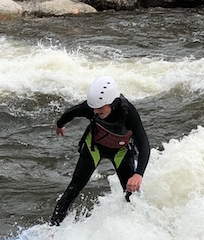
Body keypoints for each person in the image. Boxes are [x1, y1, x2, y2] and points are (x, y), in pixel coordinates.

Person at [50, 76, 150, 225]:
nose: (95, 111)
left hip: (120, 151)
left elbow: (144, 145)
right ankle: (53, 227)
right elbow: (73, 112)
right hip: (94, 147)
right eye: (94, 108)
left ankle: (140, 226)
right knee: (74, 187)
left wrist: (139, 174)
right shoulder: (92, 108)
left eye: (100, 108)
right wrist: (59, 125)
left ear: (112, 103)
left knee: (131, 193)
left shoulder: (129, 113)